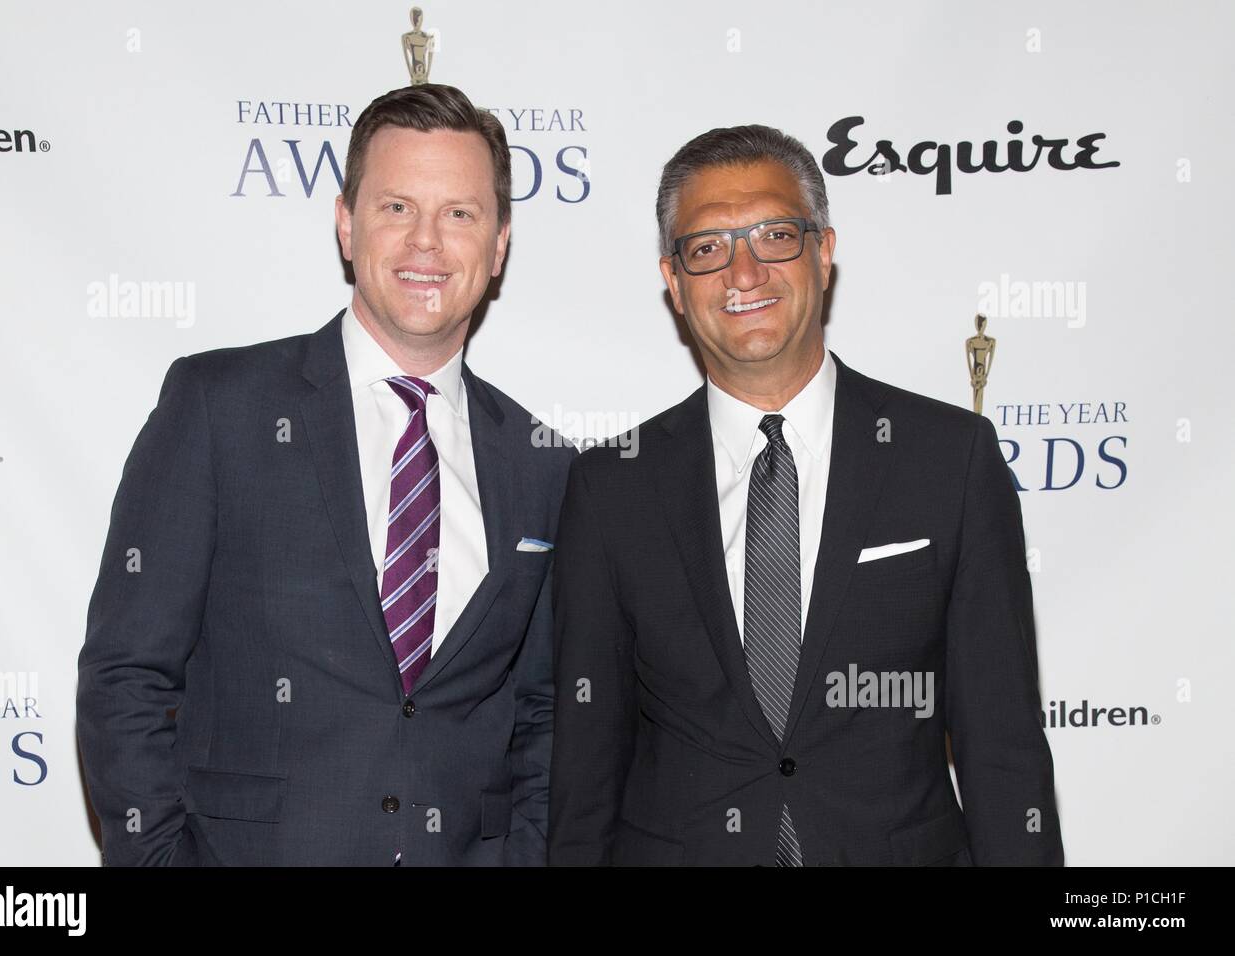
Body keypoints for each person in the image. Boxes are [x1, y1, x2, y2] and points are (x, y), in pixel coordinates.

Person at [77, 84, 574, 866]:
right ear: (347, 223)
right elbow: (127, 674)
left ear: (500, 243)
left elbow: (545, 714)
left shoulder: (542, 461)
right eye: (397, 207)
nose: (427, 243)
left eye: (460, 213)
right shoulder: (220, 408)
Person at [548, 124, 1063, 866]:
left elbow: (1002, 741)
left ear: (823, 251)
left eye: (774, 235)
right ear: (674, 279)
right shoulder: (610, 488)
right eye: (708, 247)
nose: (744, 272)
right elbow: (586, 769)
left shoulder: (949, 460)